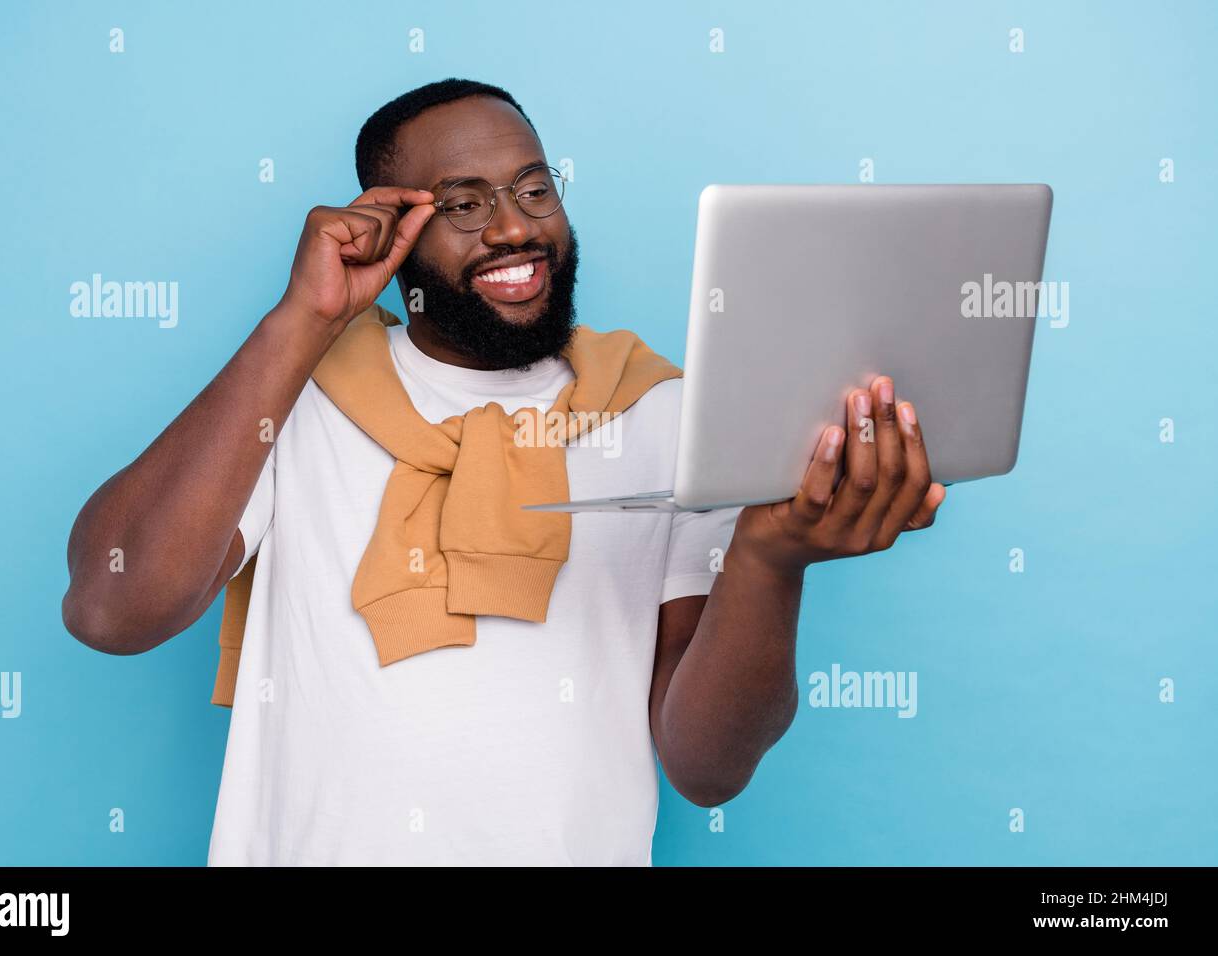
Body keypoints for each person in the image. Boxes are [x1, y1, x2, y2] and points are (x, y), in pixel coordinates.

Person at [61, 78, 946, 865]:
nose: (516, 227)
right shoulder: (297, 401)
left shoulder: (663, 415)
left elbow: (708, 766)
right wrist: (303, 319)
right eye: (464, 205)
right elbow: (113, 607)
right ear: (391, 230)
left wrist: (769, 560)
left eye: (534, 189)